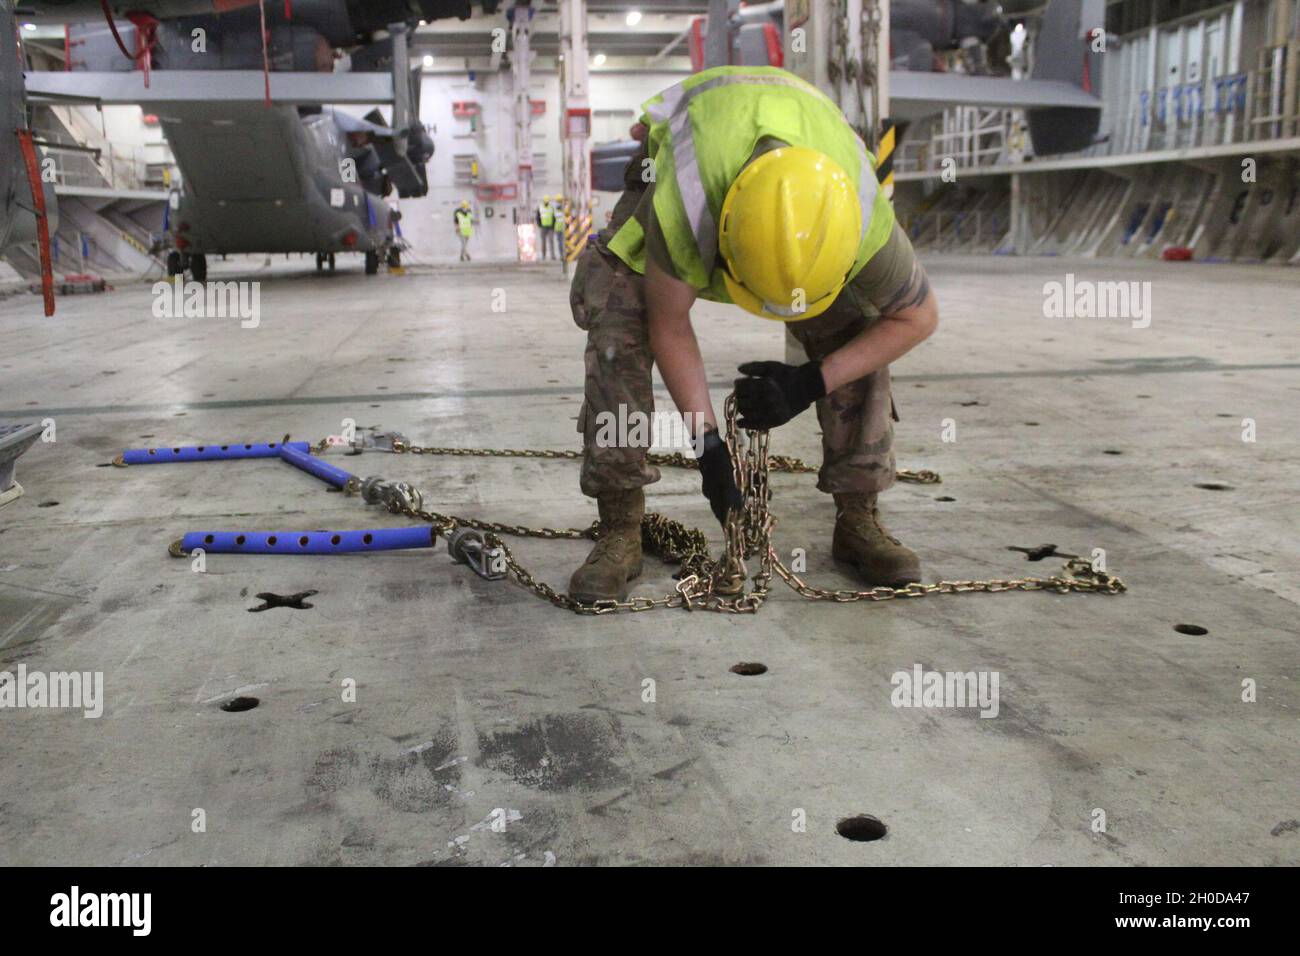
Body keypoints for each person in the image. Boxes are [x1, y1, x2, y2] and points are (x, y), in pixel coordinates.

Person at [567, 66, 939, 604]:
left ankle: (859, 518)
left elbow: (918, 317)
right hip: (676, 157)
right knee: (618, 320)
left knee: (859, 329)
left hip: (804, 153)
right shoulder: (688, 201)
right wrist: (709, 446)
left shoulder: (860, 215)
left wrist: (810, 381)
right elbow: (671, 326)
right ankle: (620, 528)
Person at [537, 195, 557, 259]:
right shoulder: (540, 207)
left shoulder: (551, 208)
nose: (547, 202)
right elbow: (538, 217)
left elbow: (554, 217)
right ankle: (543, 255)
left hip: (550, 227)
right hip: (543, 227)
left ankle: (552, 255)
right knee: (543, 242)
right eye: (546, 201)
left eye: (547, 201)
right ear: (544, 201)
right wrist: (539, 225)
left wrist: (553, 226)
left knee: (551, 241)